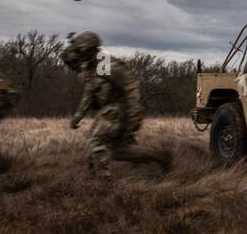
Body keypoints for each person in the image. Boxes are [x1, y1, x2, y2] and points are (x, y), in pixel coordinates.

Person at [63, 31, 171, 178]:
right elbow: (89, 93)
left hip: (119, 109)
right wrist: (78, 116)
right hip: (110, 110)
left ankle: (103, 180)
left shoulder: (107, 65)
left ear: (87, 50)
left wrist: (134, 117)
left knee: (95, 140)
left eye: (79, 51)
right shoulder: (90, 66)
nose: (77, 56)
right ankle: (159, 156)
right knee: (119, 151)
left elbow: (131, 89)